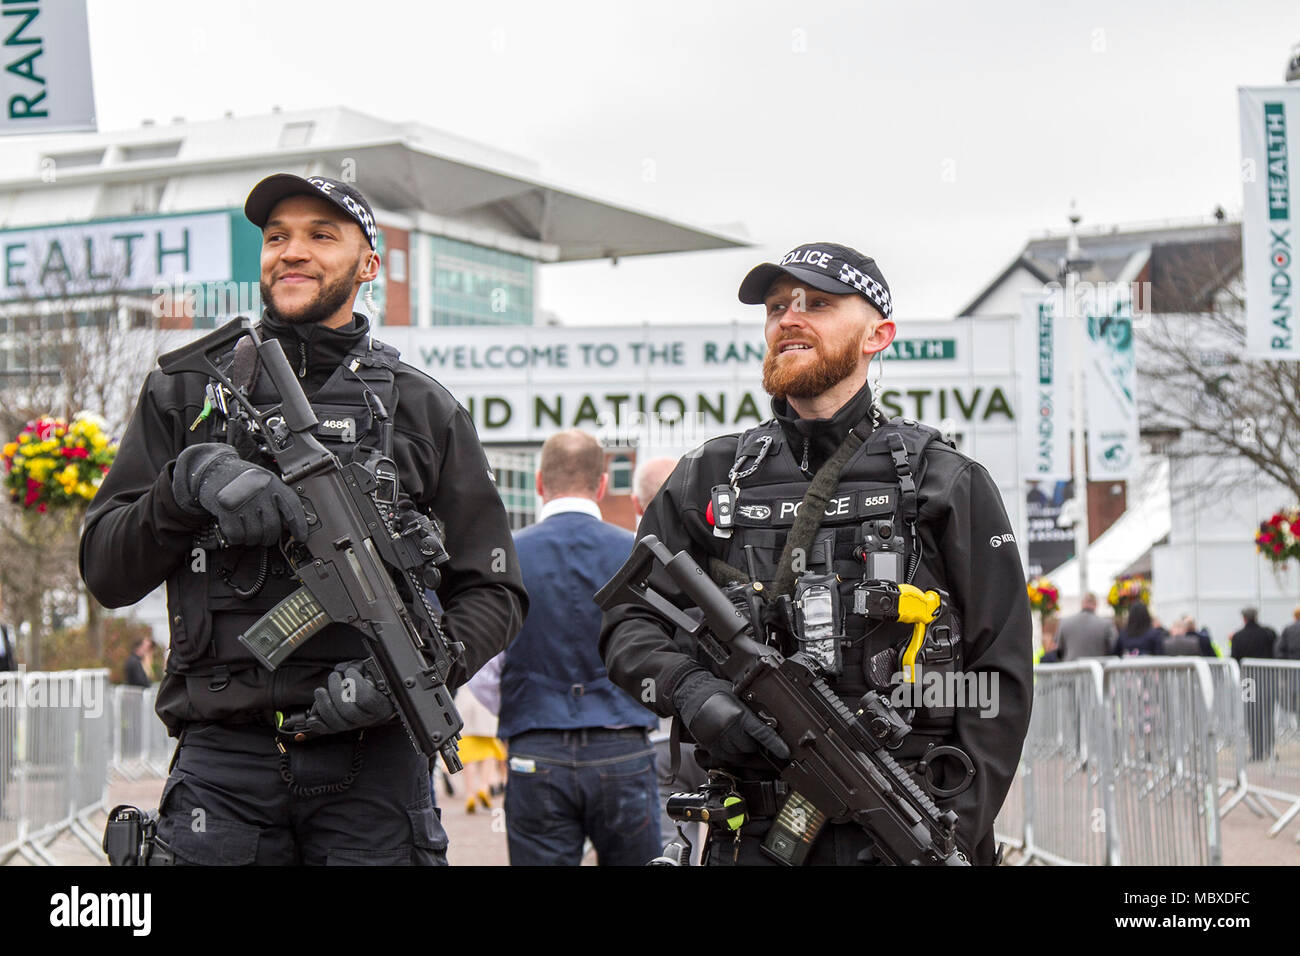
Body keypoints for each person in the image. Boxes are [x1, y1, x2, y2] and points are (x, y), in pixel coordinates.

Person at [79, 173, 527, 866]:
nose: (292, 251)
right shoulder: (186, 392)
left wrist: (419, 673)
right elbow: (106, 569)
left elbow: (494, 591)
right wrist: (186, 484)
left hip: (374, 768)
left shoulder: (422, 409)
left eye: (322, 236)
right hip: (224, 764)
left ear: (369, 265)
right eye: (277, 236)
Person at [600, 242, 1033, 866]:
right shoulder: (708, 478)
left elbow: (1002, 674)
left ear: (877, 335)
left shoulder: (945, 482)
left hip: (907, 821)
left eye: (819, 304)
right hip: (752, 829)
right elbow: (627, 625)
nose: (789, 319)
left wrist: (949, 835)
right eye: (777, 307)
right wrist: (693, 692)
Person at [497, 430, 660, 866]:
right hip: (621, 743)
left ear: (538, 483)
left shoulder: (507, 556)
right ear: (603, 484)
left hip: (536, 743)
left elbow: (484, 660)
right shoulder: (636, 553)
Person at [633, 455, 710, 857]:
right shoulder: (719, 556)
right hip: (721, 727)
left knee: (668, 850)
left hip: (658, 738)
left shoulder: (633, 567)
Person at [1231, 608, 1277, 760]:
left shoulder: (1237, 637)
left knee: (1252, 716)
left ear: (1244, 618)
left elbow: (1235, 659)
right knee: (1268, 715)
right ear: (1256, 617)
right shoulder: (1268, 633)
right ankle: (1270, 749)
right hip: (1268, 678)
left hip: (1248, 681)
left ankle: (1256, 752)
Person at [1057, 592, 1116, 660]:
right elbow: (1113, 648)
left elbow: (1059, 650)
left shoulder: (1064, 623)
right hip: (1097, 668)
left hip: (1072, 668)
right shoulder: (1107, 624)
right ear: (1096, 604)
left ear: (1082, 603)